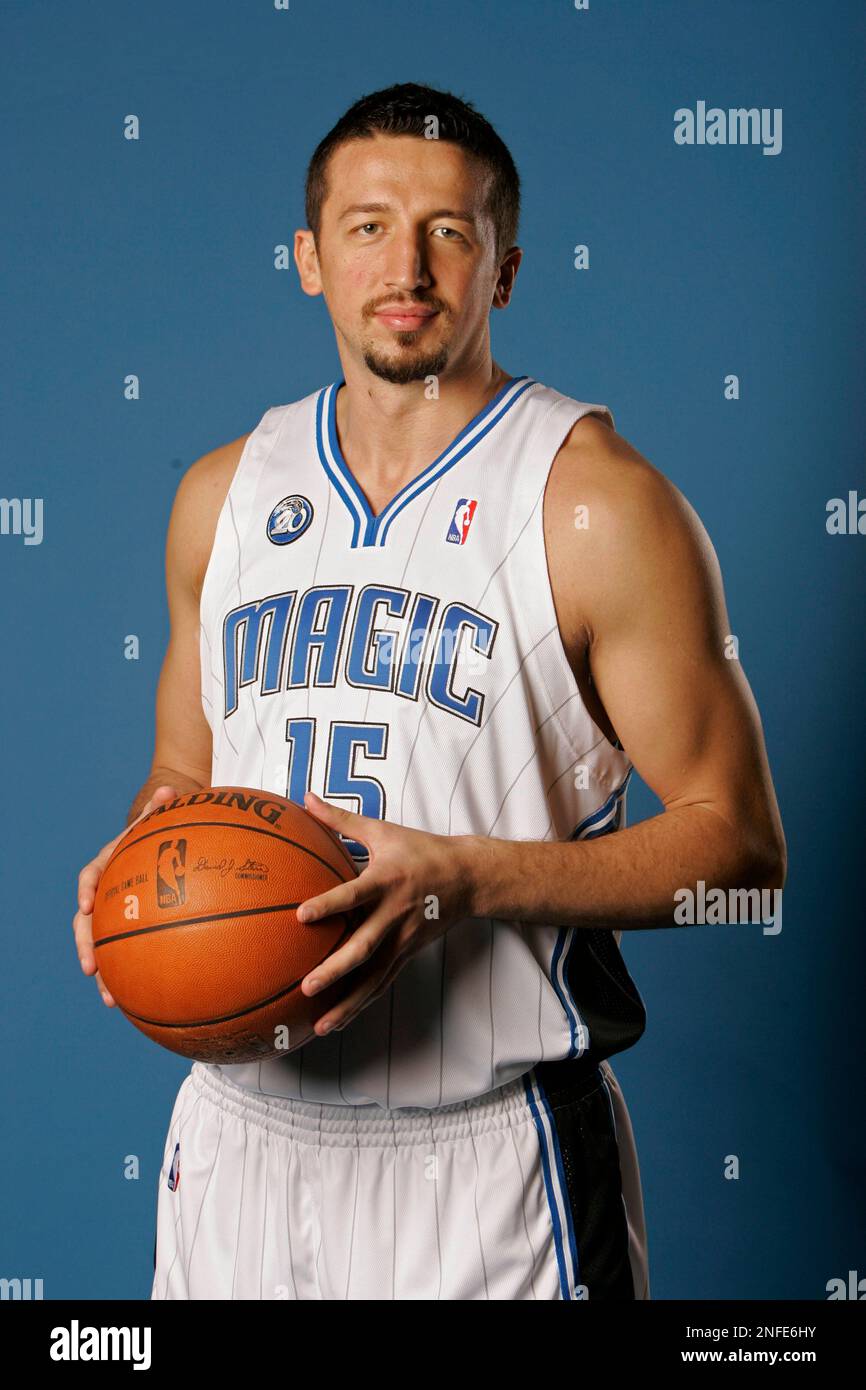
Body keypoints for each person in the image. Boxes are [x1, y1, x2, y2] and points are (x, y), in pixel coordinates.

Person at [73, 82, 786, 1301]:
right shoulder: (221, 495)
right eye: (365, 227)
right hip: (237, 1143)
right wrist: (143, 863)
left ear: (502, 269)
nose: (403, 267)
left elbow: (742, 855)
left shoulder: (599, 505)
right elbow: (183, 775)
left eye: (447, 232)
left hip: (488, 1163)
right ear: (308, 258)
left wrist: (464, 879)